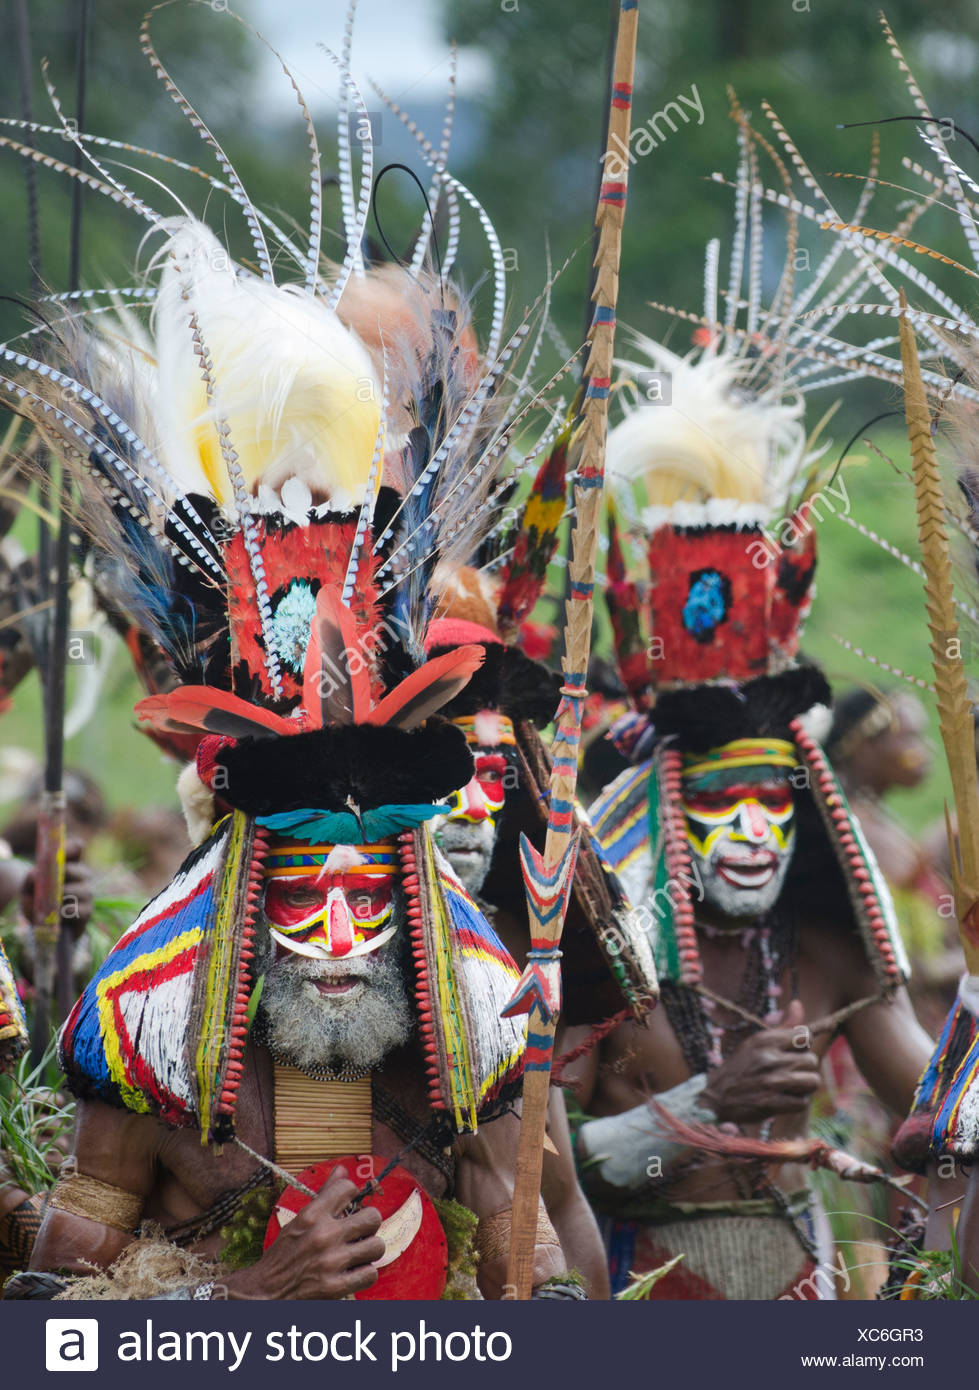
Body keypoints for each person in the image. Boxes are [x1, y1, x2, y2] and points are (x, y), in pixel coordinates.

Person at [1, 21, 589, 1298]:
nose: (334, 936)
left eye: (365, 892)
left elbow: (544, 1299)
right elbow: (49, 1329)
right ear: (245, 875)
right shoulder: (152, 1032)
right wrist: (253, 1300)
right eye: (305, 897)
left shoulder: (475, 1027)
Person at [578, 319, 933, 1298]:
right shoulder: (604, 951)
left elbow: (930, 1124)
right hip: (637, 1292)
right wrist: (706, 1102)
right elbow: (555, 1168)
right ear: (668, 808)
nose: (749, 833)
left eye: (771, 801)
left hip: (803, 1294)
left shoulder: (823, 948)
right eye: (721, 805)